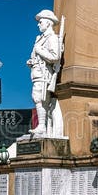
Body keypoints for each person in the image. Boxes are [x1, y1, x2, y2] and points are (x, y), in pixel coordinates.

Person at [27, 9, 64, 137]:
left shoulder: (52, 38)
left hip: (44, 74)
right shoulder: (40, 39)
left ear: (48, 23)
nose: (38, 24)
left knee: (40, 98)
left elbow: (55, 56)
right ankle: (42, 125)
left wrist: (39, 50)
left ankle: (42, 126)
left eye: (41, 22)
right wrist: (32, 61)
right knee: (37, 98)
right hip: (37, 73)